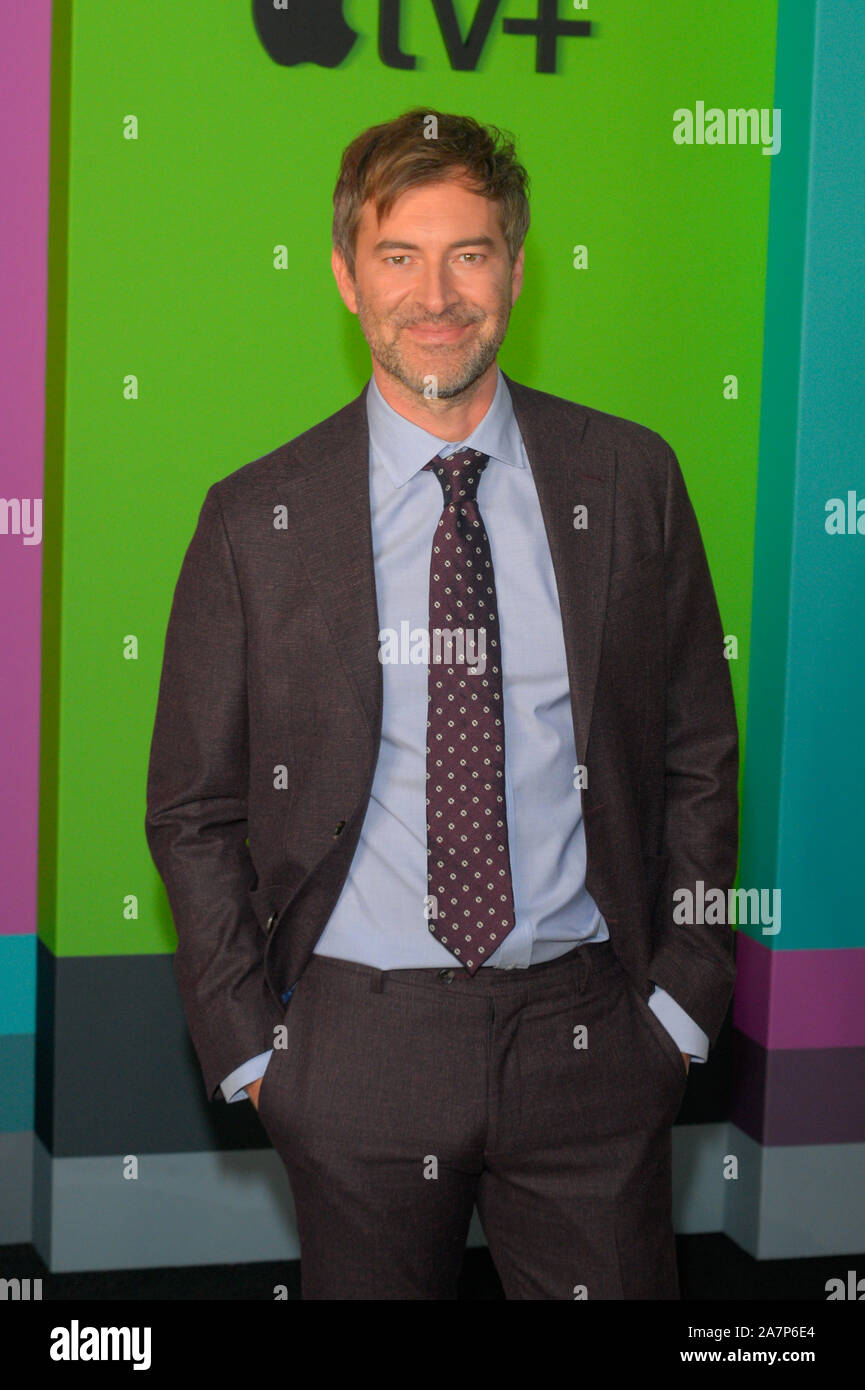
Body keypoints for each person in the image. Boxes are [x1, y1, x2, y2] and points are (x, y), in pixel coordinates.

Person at [145, 108, 739, 1300]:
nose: (437, 294)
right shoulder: (254, 518)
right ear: (345, 278)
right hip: (355, 1045)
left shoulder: (629, 481)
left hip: (589, 1034)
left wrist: (680, 1003)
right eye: (398, 255)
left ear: (517, 269)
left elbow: (696, 757)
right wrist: (253, 1050)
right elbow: (195, 807)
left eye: (468, 252)